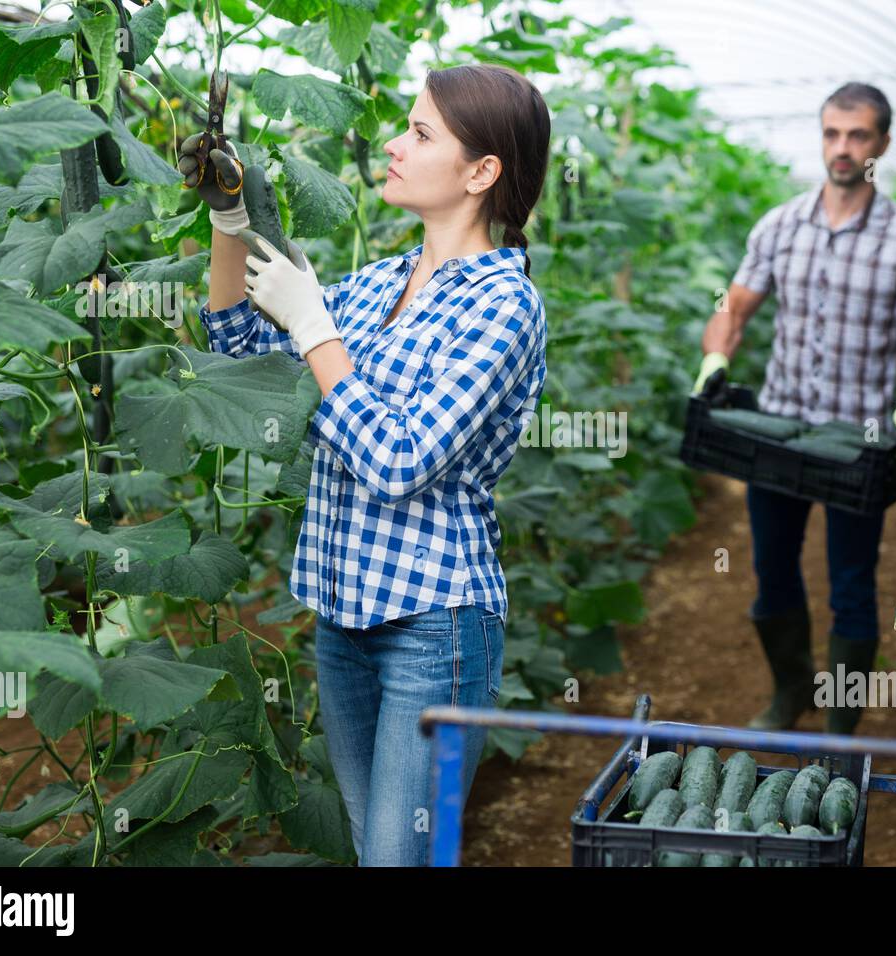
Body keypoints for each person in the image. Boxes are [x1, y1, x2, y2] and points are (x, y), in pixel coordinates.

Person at [187, 64, 552, 864]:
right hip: (345, 615)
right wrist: (230, 213)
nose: (394, 143)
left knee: (398, 858)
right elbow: (240, 346)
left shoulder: (503, 304)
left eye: (420, 133)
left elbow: (401, 459)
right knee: (375, 849)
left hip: (435, 624)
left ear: (482, 172)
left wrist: (316, 326)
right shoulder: (382, 283)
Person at [692, 83, 896, 735]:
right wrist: (716, 356)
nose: (843, 148)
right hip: (778, 430)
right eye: (833, 133)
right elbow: (734, 306)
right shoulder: (780, 226)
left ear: (882, 144)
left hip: (857, 443)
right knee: (772, 570)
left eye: (858, 135)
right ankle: (790, 693)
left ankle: (840, 728)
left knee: (852, 586)